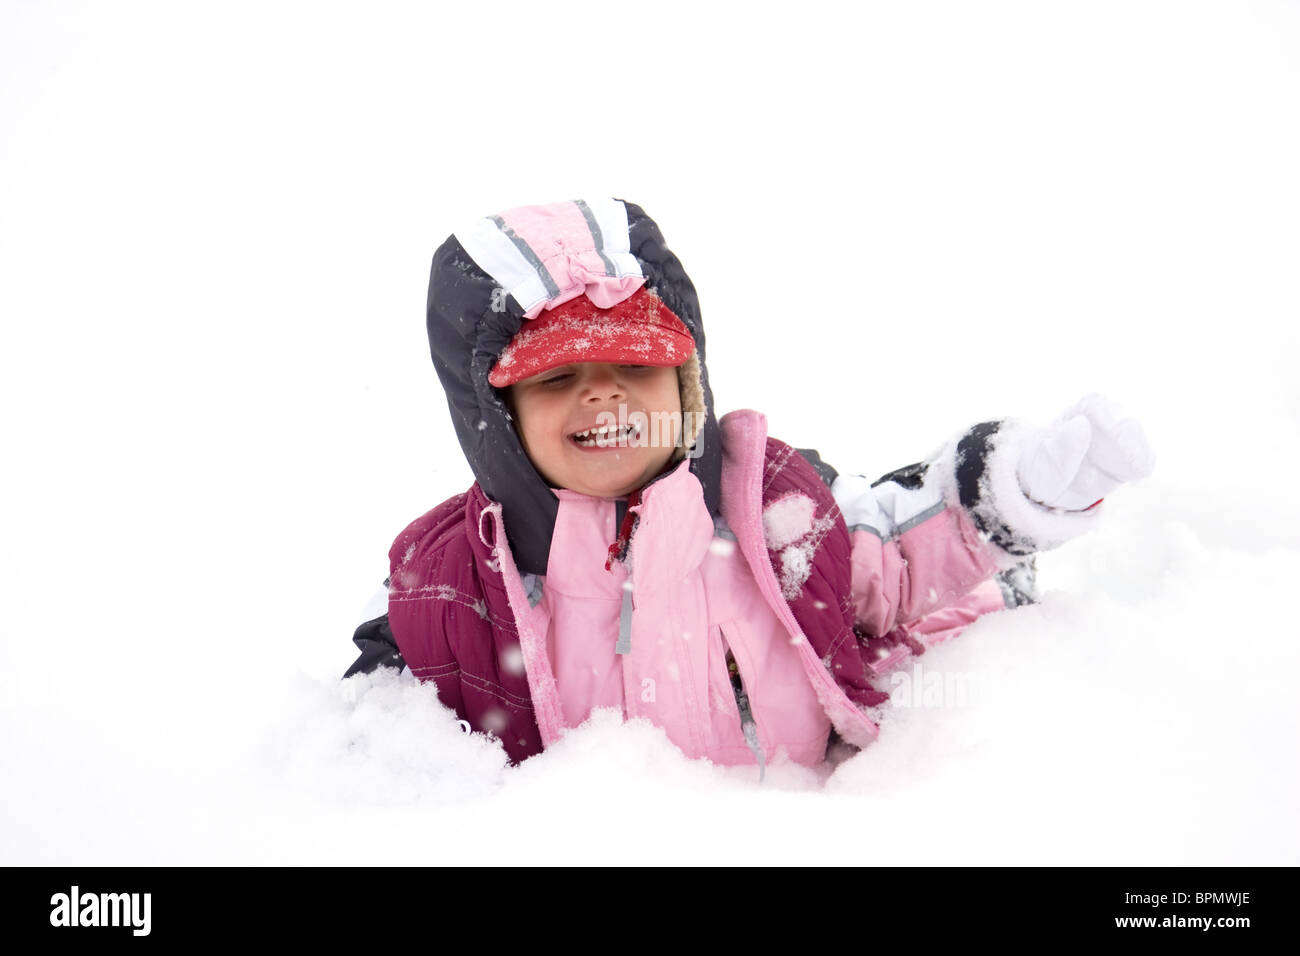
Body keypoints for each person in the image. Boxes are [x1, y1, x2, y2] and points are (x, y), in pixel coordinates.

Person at [344, 198, 1154, 771]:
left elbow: (892, 562)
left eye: (635, 365)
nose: (603, 395)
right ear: (497, 418)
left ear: (688, 387)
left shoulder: (771, 517)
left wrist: (1017, 494)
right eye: (558, 379)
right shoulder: (461, 588)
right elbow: (398, 686)